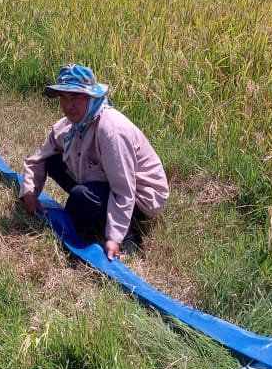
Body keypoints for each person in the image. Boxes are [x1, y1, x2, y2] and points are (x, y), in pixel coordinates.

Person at [19, 64, 168, 260]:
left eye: (76, 97)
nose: (68, 105)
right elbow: (37, 159)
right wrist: (29, 192)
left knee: (80, 199)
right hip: (103, 180)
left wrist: (114, 238)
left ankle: (127, 232)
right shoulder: (70, 126)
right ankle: (97, 214)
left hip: (141, 196)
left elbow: (124, 189)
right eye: (63, 98)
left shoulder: (112, 131)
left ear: (92, 97)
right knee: (53, 161)